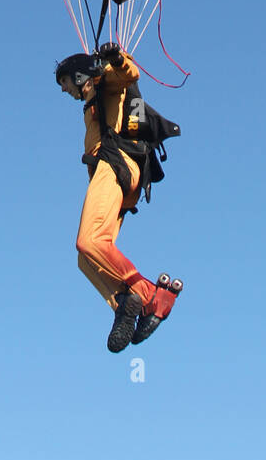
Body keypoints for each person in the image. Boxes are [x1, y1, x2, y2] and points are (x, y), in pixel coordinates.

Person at [56, 42, 180, 351]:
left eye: (65, 82)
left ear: (80, 74)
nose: (64, 91)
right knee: (87, 259)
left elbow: (129, 74)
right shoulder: (94, 98)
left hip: (115, 167)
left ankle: (147, 294)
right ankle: (125, 304)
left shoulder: (107, 83)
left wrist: (114, 58)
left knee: (88, 241)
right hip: (121, 179)